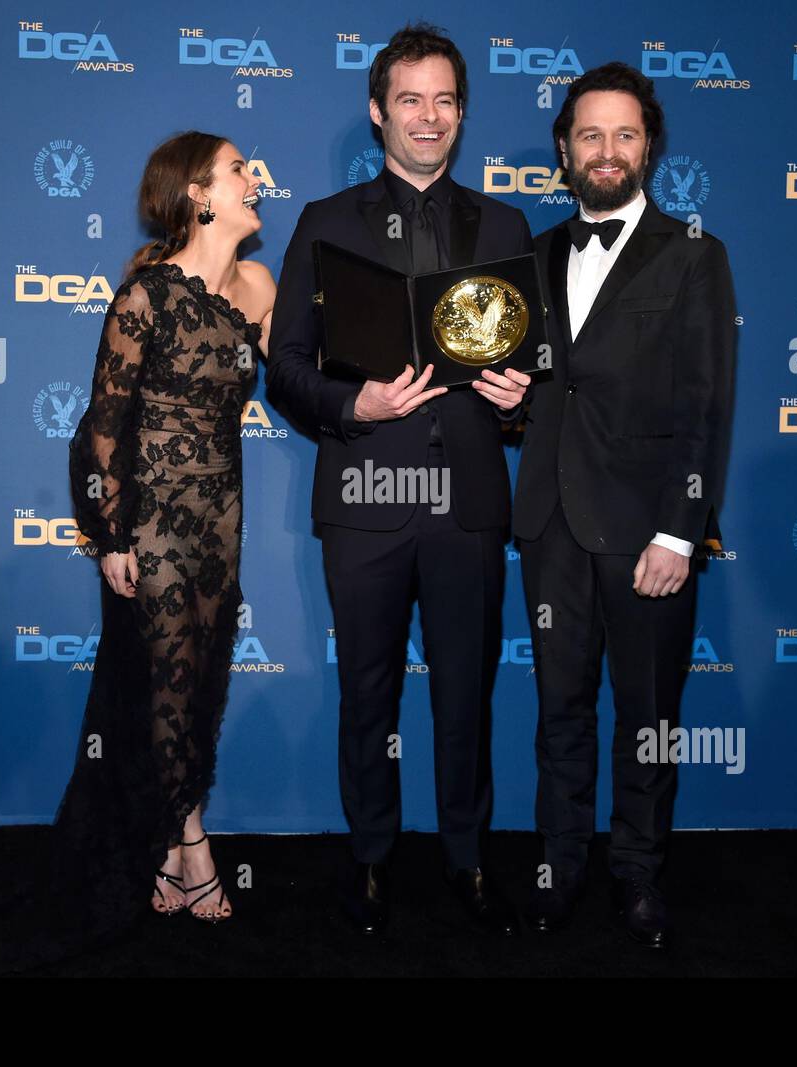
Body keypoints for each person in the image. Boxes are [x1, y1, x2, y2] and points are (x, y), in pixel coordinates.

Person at [266, 22, 532, 936]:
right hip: (364, 505)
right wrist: (355, 406)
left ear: (462, 114)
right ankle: (372, 859)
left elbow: (527, 372)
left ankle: (467, 859)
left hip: (468, 505)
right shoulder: (325, 222)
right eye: (410, 99)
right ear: (377, 111)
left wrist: (514, 398)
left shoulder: (503, 225)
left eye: (445, 100)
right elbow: (286, 366)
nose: (429, 117)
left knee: (468, 693)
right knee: (366, 694)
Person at [512, 62, 736, 945]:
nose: (607, 151)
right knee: (559, 709)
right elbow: (538, 390)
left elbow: (706, 405)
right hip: (551, 525)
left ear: (650, 147)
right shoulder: (531, 254)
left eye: (625, 134)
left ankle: (639, 874)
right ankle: (560, 864)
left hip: (649, 529)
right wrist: (509, 401)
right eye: (590, 135)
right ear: (565, 149)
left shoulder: (694, 255)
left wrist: (681, 530)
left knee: (648, 717)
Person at [61, 130, 275, 925]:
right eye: (239, 171)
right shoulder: (144, 295)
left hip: (221, 517)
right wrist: (111, 535)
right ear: (198, 194)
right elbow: (103, 427)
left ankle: (174, 845)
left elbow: (298, 373)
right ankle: (190, 843)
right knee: (167, 678)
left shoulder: (258, 286)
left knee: (204, 678)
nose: (255, 181)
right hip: (148, 517)